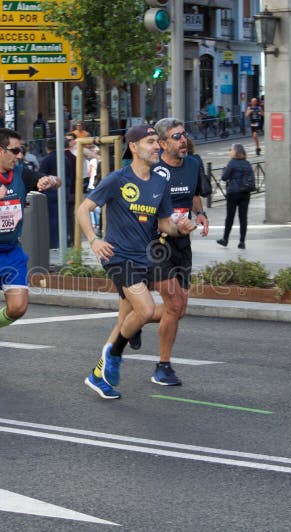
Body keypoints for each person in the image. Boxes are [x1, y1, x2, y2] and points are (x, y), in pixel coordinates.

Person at [76, 125, 198, 399]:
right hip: (119, 256)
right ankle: (115, 355)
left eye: (157, 142)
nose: (157, 147)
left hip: (146, 256)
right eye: (151, 142)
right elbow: (83, 209)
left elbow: (164, 223)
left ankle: (98, 374)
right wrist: (94, 240)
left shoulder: (159, 182)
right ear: (133, 147)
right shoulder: (117, 179)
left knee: (130, 319)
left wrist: (180, 228)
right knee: (145, 309)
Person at [0, 128, 61, 379]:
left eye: (21, 150)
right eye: (16, 150)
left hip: (12, 252)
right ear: (0, 150)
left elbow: (54, 181)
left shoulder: (20, 172)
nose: (20, 155)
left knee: (18, 307)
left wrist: (50, 180)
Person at [130, 118, 208, 386]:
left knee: (179, 309)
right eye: (176, 137)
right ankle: (163, 367)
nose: (183, 140)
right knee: (173, 303)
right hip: (157, 243)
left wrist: (200, 214)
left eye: (184, 135)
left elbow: (194, 194)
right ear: (162, 144)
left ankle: (136, 319)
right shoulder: (152, 170)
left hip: (182, 244)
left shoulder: (193, 164)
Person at [217, 143, 254, 248]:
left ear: (235, 152)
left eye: (231, 149)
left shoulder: (232, 163)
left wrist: (224, 171)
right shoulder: (247, 163)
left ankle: (225, 239)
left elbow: (224, 177)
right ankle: (242, 242)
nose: (230, 151)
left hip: (233, 193)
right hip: (245, 193)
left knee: (230, 217)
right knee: (243, 218)